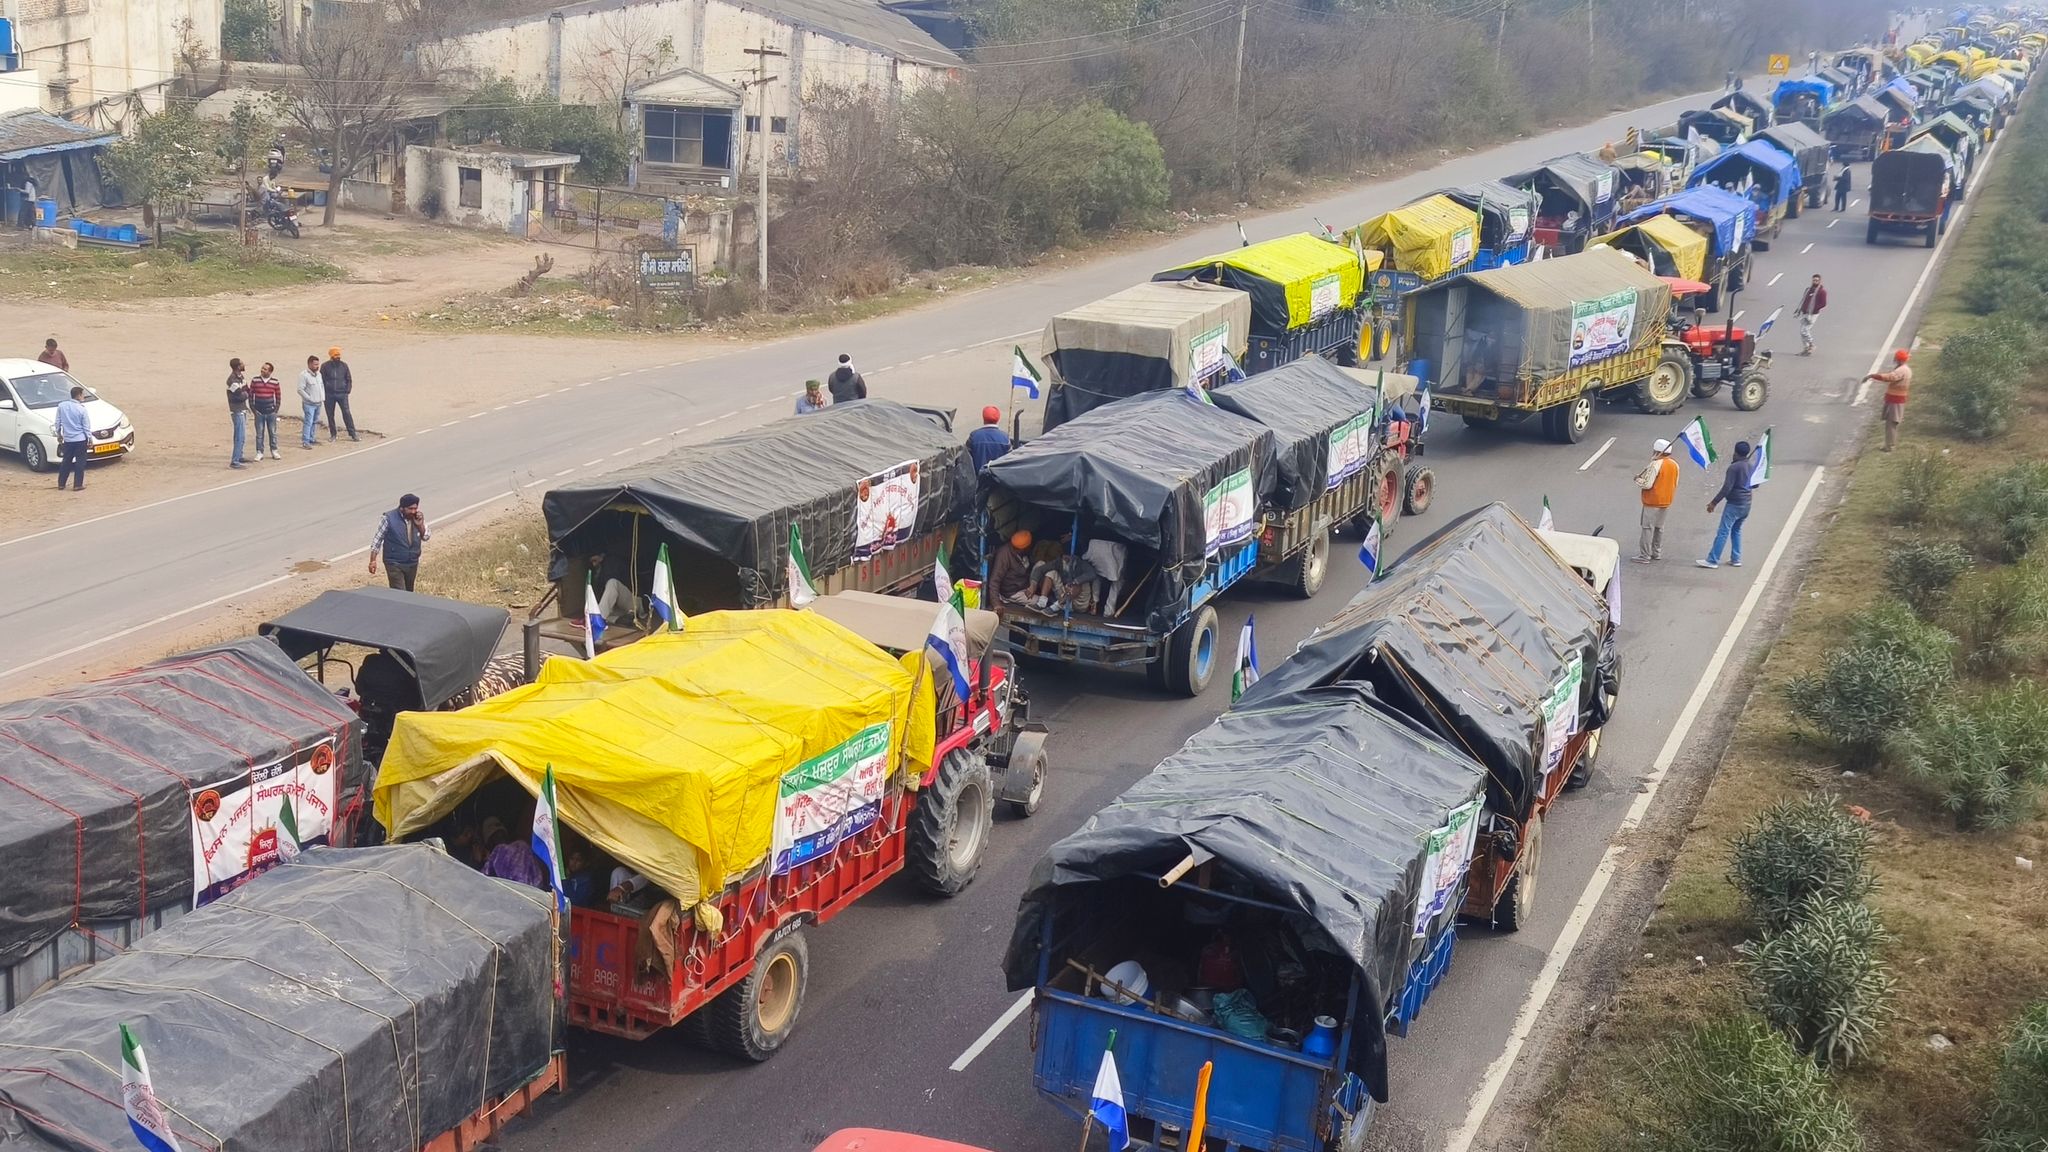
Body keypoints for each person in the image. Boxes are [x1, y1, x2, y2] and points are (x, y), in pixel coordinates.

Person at [1698, 441, 1755, 570]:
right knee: (1736, 530)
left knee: (1723, 531)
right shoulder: (1750, 466)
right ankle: (1736, 558)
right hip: (1747, 504)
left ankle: (1712, 560)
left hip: (1734, 504)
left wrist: (1714, 502)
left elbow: (1727, 488)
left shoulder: (1733, 468)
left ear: (1736, 453)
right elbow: (1755, 484)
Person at [369, 493, 429, 591]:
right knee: (400, 592)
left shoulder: (417, 518)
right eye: (410, 509)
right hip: (394, 562)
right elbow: (378, 539)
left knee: (409, 592)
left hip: (412, 562)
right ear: (402, 508)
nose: (413, 511)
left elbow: (426, 537)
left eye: (415, 508)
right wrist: (373, 560)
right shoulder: (388, 518)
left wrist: (420, 525)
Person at [1634, 438, 1679, 562]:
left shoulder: (1655, 464)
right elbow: (1675, 483)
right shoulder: (1675, 465)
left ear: (1657, 451)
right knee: (1659, 528)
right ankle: (1656, 552)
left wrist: (1638, 480)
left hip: (1652, 501)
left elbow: (1647, 484)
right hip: (1666, 501)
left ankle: (1645, 555)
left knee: (1647, 528)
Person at [1864, 348, 1913, 451]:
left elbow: (1890, 377)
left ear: (1898, 359)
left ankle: (1889, 446)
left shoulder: (1901, 370)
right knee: (1891, 423)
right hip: (1896, 399)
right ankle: (1889, 444)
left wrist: (1872, 376)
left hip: (1895, 401)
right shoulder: (1906, 369)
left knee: (1891, 423)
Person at [53, 384, 90, 491]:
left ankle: (61, 484)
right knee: (80, 463)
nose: (83, 396)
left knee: (66, 461)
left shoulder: (62, 406)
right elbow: (86, 427)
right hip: (80, 439)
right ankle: (77, 484)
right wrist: (90, 439)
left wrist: (59, 434)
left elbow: (58, 422)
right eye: (82, 394)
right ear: (78, 395)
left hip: (68, 439)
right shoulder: (82, 409)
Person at [321, 347, 358, 442]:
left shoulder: (344, 366)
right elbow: (322, 381)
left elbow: (348, 379)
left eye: (338, 355)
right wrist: (324, 392)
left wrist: (347, 390)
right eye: (335, 355)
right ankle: (333, 434)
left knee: (346, 413)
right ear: (331, 356)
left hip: (342, 394)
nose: (338, 357)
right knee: (330, 415)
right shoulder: (325, 366)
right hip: (329, 395)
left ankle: (353, 434)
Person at [247, 362, 282, 460]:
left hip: (271, 412)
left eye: (265, 369)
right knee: (259, 434)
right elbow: (250, 395)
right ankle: (259, 452)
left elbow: (278, 396)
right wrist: (253, 409)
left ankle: (274, 450)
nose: (262, 370)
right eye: (262, 368)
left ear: (270, 372)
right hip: (259, 411)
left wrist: (276, 409)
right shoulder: (255, 380)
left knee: (272, 432)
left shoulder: (275, 382)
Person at [990, 530, 1033, 602]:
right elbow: (995, 580)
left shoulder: (1024, 553)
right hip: (1011, 592)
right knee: (1041, 602)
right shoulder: (1004, 554)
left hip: (1024, 586)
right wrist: (996, 603)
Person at [967, 406, 1011, 471]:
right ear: (998, 419)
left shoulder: (974, 436)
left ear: (983, 418)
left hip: (977, 475)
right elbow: (1009, 460)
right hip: (997, 476)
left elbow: (966, 458)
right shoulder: (1005, 438)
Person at [225, 358, 250, 469]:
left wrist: (245, 392)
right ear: (238, 366)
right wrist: (245, 394)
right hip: (237, 410)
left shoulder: (240, 377)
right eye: (242, 363)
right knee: (239, 436)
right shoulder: (232, 380)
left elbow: (246, 389)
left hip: (242, 409)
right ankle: (235, 461)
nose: (244, 364)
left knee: (242, 435)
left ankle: (239, 456)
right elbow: (239, 395)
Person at [1795, 274, 1828, 356]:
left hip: (1813, 314)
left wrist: (1814, 309)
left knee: (1805, 330)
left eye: (1817, 280)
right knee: (1802, 332)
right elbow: (1804, 300)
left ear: (1820, 281)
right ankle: (1806, 349)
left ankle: (1811, 344)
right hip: (1805, 312)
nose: (1815, 282)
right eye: (1814, 280)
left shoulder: (1822, 292)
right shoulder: (1808, 290)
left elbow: (1823, 304)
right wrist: (1800, 309)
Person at [297, 354, 324, 449]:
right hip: (309, 404)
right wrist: (309, 398)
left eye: (318, 364)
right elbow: (300, 389)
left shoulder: (319, 374)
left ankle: (312, 438)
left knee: (314, 421)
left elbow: (321, 386)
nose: (317, 366)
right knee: (308, 422)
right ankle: (305, 441)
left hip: (318, 403)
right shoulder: (304, 375)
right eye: (315, 364)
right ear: (309, 364)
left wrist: (322, 397)